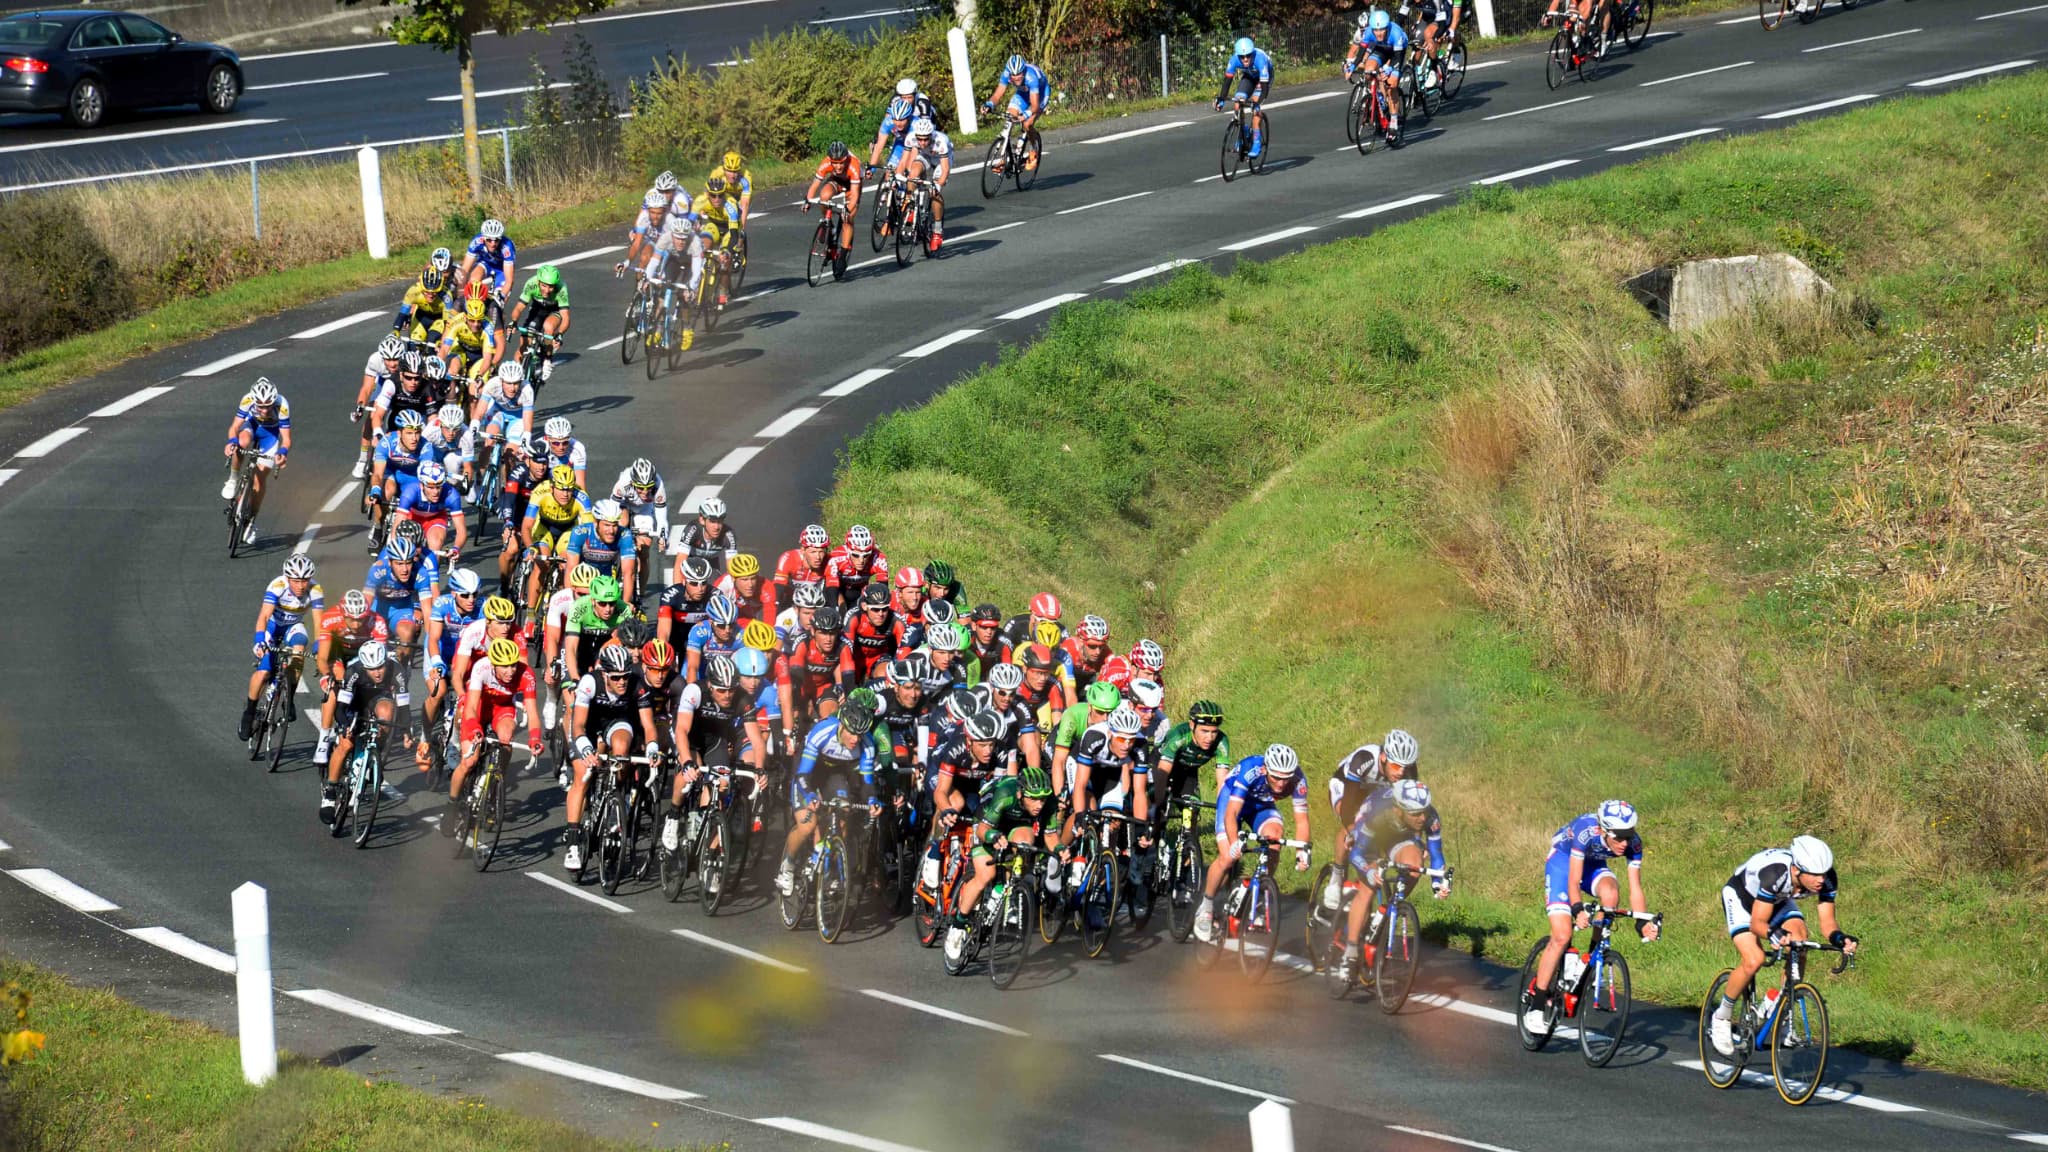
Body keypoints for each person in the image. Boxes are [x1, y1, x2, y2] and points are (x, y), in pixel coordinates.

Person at [1708, 836, 1856, 1057]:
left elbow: (1827, 922)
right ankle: (1722, 1015)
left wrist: (1839, 938)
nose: (1821, 880)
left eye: (1824, 873)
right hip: (1741, 898)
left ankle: (1781, 1007)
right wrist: (1774, 934)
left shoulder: (1826, 878)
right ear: (1797, 870)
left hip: (1776, 899)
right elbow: (1757, 923)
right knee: (1754, 958)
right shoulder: (1775, 873)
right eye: (1815, 874)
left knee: (1800, 940)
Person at [1522, 800, 1656, 1030]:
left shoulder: (1633, 843)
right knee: (1562, 935)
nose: (1625, 843)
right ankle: (1537, 1005)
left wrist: (1642, 921)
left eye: (1629, 835)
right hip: (1563, 864)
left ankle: (1590, 960)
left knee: (1611, 894)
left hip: (1593, 865)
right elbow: (1573, 879)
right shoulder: (1585, 831)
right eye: (1619, 837)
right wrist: (1577, 909)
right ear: (1603, 830)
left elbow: (1635, 888)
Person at [1332, 779, 1449, 983]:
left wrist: (1439, 884)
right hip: (1370, 836)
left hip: (1400, 837)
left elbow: (1436, 854)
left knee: (1414, 866)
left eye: (1424, 811)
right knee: (1369, 888)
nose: (1422, 818)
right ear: (1398, 810)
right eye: (1415, 814)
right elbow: (1357, 853)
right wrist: (1368, 872)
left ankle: (1389, 908)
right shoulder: (1378, 813)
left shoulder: (1429, 816)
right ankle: (1349, 953)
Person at [561, 643, 663, 873]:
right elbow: (577, 725)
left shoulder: (637, 685)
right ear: (604, 673)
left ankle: (616, 800)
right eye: (616, 678)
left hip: (616, 723)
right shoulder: (590, 682)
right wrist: (587, 750)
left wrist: (653, 748)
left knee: (622, 747)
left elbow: (648, 725)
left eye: (625, 676)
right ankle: (573, 842)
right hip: (588, 726)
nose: (622, 682)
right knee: (582, 777)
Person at [1195, 743, 1311, 943]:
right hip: (1233, 800)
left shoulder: (1299, 780)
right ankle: (1206, 905)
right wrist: (1234, 843)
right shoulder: (1251, 771)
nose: (1282, 784)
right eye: (1276, 777)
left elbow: (1302, 821)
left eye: (1286, 778)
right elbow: (1231, 814)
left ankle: (1258, 891)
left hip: (1261, 805)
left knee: (1275, 837)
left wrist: (1302, 850)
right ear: (1265, 770)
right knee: (1227, 858)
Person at [944, 765, 1061, 963]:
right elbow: (983, 830)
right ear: (1020, 793)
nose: (1039, 804)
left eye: (1042, 798)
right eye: (1033, 798)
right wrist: (993, 835)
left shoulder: (1049, 802)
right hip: (988, 822)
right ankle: (957, 926)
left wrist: (1060, 850)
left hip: (1017, 825)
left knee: (1025, 845)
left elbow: (1051, 837)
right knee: (985, 876)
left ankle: (1009, 890)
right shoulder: (1006, 793)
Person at [778, 697, 882, 897]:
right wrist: (809, 795)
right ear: (842, 725)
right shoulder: (823, 731)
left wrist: (872, 800)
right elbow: (803, 774)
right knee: (807, 825)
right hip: (808, 772)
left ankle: (829, 863)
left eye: (860, 734)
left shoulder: (867, 744)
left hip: (835, 775)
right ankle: (788, 865)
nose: (856, 739)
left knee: (843, 812)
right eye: (852, 732)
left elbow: (867, 782)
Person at [444, 637, 546, 833]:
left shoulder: (526, 675)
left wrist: (534, 738)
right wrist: (474, 728)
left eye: (513, 666)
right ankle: (452, 804)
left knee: (506, 740)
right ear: (493, 664)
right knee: (469, 761)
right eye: (504, 667)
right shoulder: (482, 668)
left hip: (502, 708)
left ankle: (495, 785)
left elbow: (532, 713)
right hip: (480, 707)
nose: (510, 672)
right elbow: (471, 706)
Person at [319, 640, 407, 823]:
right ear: (364, 666)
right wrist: (345, 727)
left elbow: (404, 706)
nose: (377, 673)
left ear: (386, 662)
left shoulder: (397, 670)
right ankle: (330, 793)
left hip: (379, 700)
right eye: (372, 669)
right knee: (346, 744)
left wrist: (407, 731)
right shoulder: (355, 671)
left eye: (380, 667)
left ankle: (374, 758)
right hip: (354, 702)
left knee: (388, 714)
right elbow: (341, 708)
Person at [240, 555, 323, 740]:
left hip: (293, 626)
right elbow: (264, 616)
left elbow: (319, 622)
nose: (301, 586)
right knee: (264, 673)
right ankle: (249, 712)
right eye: (296, 581)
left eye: (305, 580)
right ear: (287, 578)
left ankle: (289, 698)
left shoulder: (315, 589)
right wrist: (260, 639)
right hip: (273, 626)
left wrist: (319, 645)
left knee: (299, 652)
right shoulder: (277, 586)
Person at [222, 377, 290, 545]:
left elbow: (286, 438)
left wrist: (282, 452)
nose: (264, 410)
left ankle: (251, 521)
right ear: (254, 401)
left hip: (270, 435)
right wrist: (232, 442)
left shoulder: (282, 405)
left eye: (267, 406)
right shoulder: (247, 399)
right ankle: (233, 479)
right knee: (242, 443)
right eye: (260, 406)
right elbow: (235, 427)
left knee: (259, 480)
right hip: (251, 427)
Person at [1329, 728, 1419, 853]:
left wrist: (1416, 838)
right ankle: (1338, 869)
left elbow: (1412, 807)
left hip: (1373, 788)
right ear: (1383, 757)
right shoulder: (1364, 759)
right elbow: (1347, 805)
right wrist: (1353, 831)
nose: (1400, 772)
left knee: (1381, 825)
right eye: (1396, 765)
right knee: (1354, 823)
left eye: (1405, 767)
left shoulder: (1408, 771)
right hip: (1345, 784)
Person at [893, 117, 953, 253]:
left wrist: (938, 185)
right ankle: (911, 208)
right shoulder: (911, 138)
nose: (922, 142)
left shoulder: (941, 141)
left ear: (931, 135)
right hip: (925, 157)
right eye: (919, 139)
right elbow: (903, 161)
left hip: (941, 161)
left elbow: (945, 169)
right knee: (912, 175)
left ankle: (937, 230)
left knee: (934, 192)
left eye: (926, 139)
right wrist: (898, 175)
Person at [980, 53, 1049, 167]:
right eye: (1013, 75)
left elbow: (1035, 105)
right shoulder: (1006, 74)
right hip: (1022, 94)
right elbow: (998, 95)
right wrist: (989, 105)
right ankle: (1004, 156)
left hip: (1040, 94)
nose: (1016, 77)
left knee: (1027, 124)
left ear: (1024, 71)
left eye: (1019, 74)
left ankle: (1033, 149)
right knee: (1009, 117)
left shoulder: (1031, 77)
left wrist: (1026, 114)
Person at [1346, 9, 1407, 137]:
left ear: (1387, 27)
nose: (1378, 33)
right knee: (1368, 70)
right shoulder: (1369, 31)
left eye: (1382, 30)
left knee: (1391, 85)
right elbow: (1361, 52)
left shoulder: (1396, 33)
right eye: (1376, 30)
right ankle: (1377, 97)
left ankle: (1394, 121)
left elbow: (1398, 58)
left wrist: (1389, 70)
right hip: (1381, 50)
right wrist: (1351, 67)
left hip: (1396, 52)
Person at [803, 141, 862, 270]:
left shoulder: (854, 165)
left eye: (841, 162)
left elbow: (855, 195)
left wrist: (848, 209)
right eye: (835, 163)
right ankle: (828, 223)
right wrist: (807, 201)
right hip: (836, 181)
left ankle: (844, 253)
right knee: (824, 196)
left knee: (847, 218)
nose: (838, 166)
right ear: (830, 160)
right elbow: (815, 185)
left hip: (852, 185)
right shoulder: (825, 163)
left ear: (846, 159)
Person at [1214, 36, 1275, 160]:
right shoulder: (1234, 60)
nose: (1245, 59)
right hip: (1249, 76)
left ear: (1252, 53)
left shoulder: (1260, 59)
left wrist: (1257, 103)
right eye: (1242, 56)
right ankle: (1244, 131)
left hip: (1263, 80)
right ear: (1238, 56)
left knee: (1255, 108)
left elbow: (1264, 88)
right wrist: (1221, 99)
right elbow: (1227, 81)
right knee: (1237, 102)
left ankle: (1256, 142)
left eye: (1248, 55)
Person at [456, 218, 516, 324]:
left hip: (502, 270)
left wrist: (501, 298)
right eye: (489, 240)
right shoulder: (476, 241)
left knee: (496, 307)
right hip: (486, 264)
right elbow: (464, 269)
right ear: (483, 238)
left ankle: (497, 327)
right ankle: (470, 315)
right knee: (473, 281)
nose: (493, 244)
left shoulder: (507, 247)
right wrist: (461, 292)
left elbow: (509, 280)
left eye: (496, 240)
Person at [672, 496, 739, 577]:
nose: (717, 527)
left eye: (720, 521)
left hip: (712, 563)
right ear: (702, 520)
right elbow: (679, 564)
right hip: (691, 561)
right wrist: (678, 587)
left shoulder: (728, 534)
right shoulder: (692, 530)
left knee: (716, 584)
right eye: (712, 521)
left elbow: (733, 570)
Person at [711, 150, 754, 228]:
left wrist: (742, 229)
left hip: (740, 199)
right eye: (729, 171)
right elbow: (708, 194)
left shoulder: (745, 178)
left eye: (735, 171)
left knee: (737, 220)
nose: (732, 175)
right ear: (724, 169)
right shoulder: (717, 174)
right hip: (724, 196)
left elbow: (745, 204)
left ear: (739, 170)